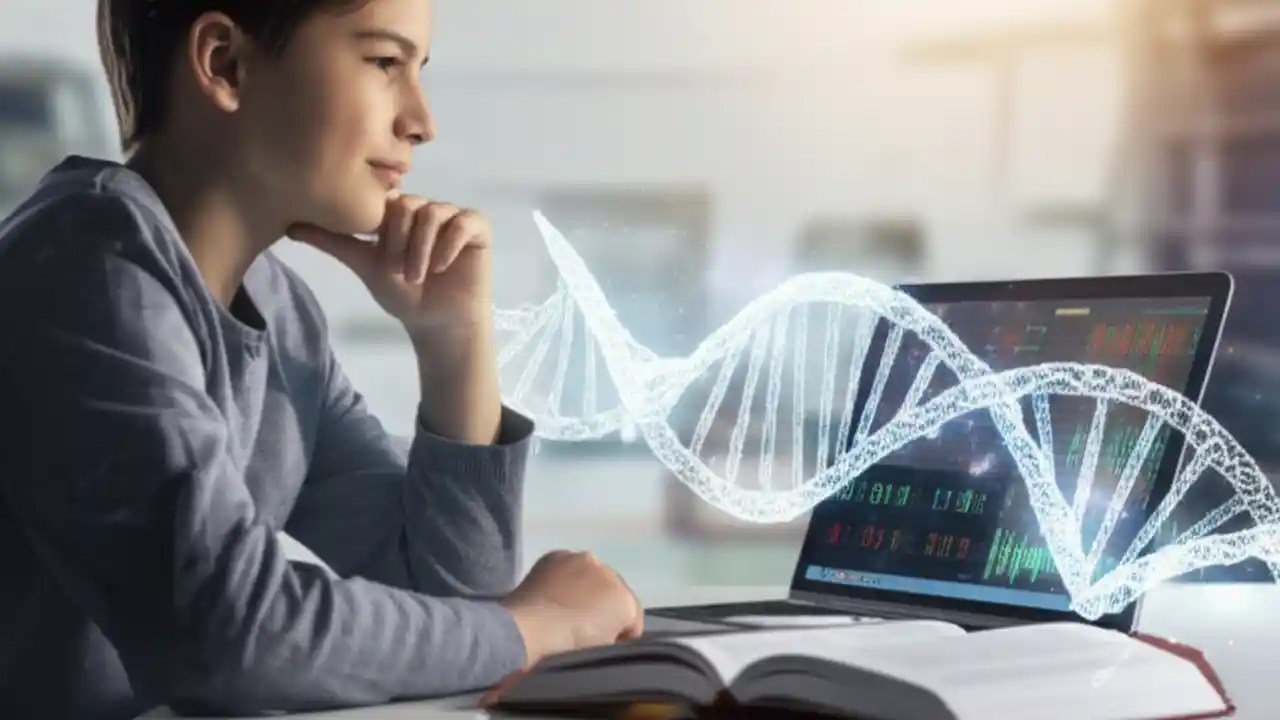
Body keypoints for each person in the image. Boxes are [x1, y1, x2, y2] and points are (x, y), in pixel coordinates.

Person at [0, 1, 643, 717]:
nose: (422, 122)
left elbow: (445, 608)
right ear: (225, 64)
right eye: (384, 62)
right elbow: (229, 636)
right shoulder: (87, 272)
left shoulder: (281, 313)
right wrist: (534, 626)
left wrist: (453, 341)